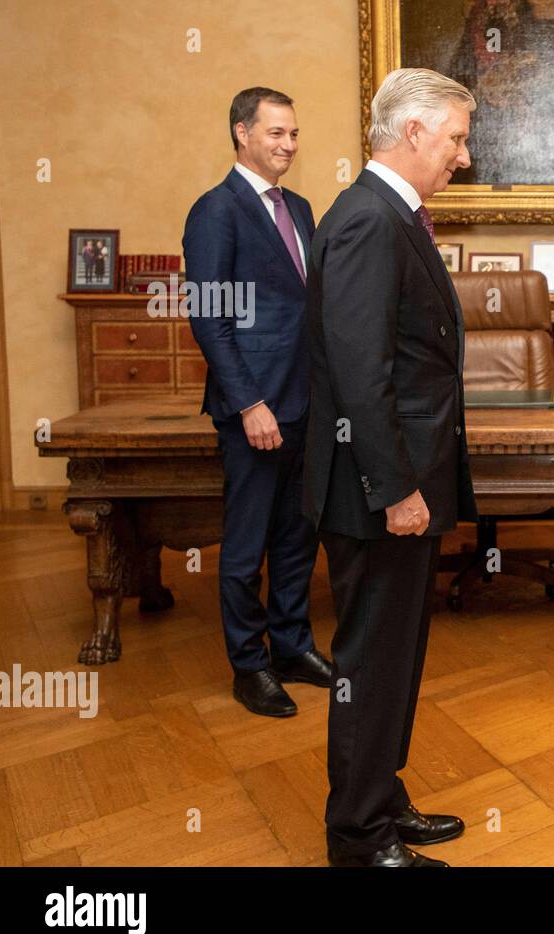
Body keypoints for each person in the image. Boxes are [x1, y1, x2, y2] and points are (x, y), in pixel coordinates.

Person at [303, 67, 478, 867]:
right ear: (412, 133)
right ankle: (359, 837)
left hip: (398, 476)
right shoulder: (371, 221)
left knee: (396, 653)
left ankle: (382, 795)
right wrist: (397, 488)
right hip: (379, 485)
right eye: (455, 138)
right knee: (371, 662)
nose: (463, 157)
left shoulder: (389, 213)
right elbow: (359, 372)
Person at [182, 87, 333, 718]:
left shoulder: (299, 207)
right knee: (246, 547)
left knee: (297, 539)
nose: (289, 145)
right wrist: (249, 405)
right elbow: (210, 320)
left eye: (294, 134)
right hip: (256, 410)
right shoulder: (216, 211)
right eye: (276, 134)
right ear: (243, 134)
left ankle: (292, 646)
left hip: (306, 403)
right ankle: (249, 666)